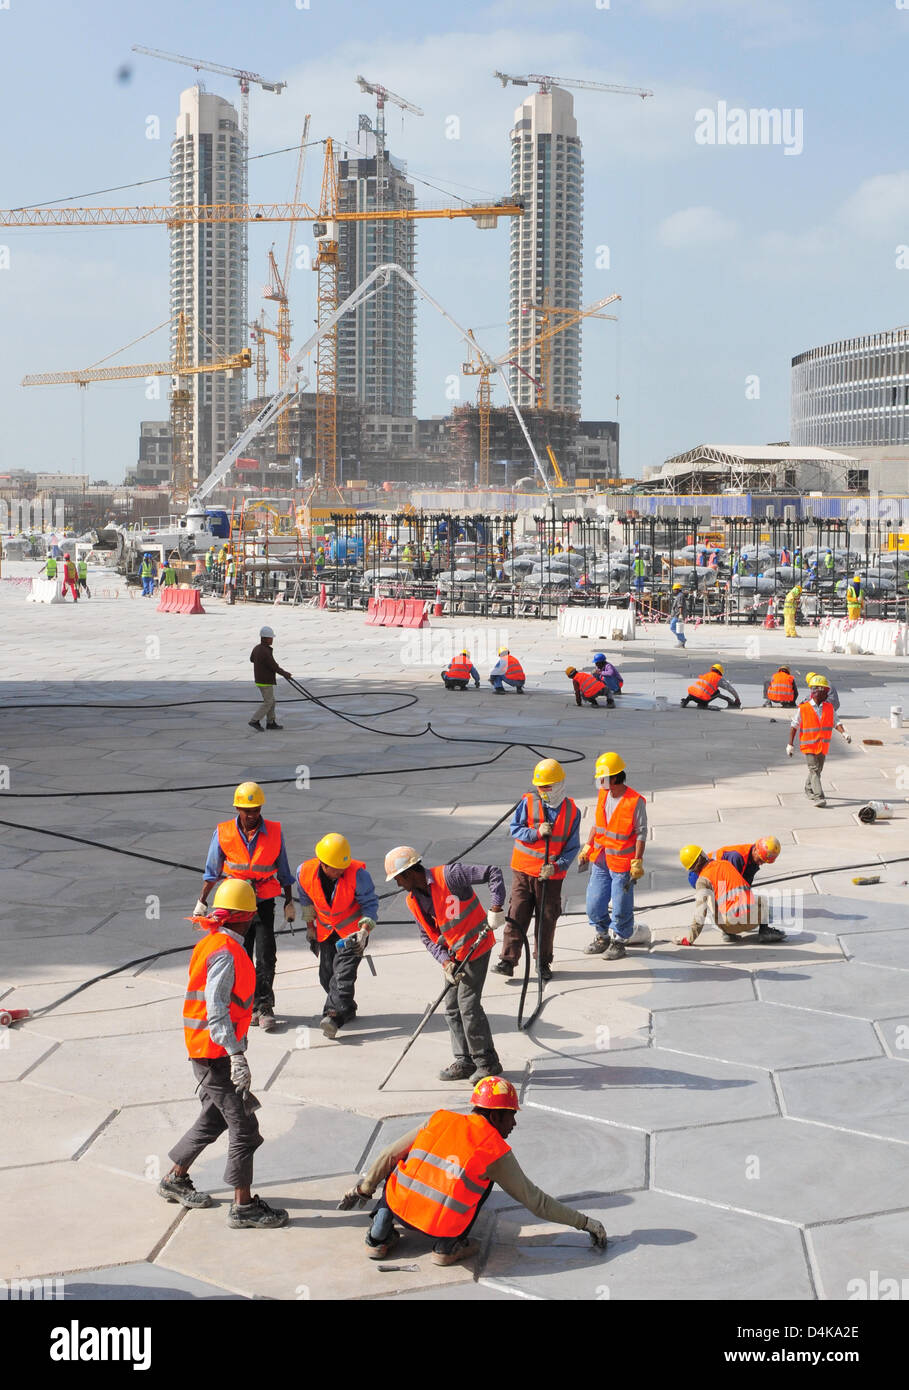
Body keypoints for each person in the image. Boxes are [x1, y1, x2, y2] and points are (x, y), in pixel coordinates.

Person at [339, 1075, 607, 1263]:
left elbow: (389, 1153)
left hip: (401, 1206)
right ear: (495, 1116)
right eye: (511, 1115)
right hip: (441, 1225)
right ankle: (446, 1248)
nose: (514, 1123)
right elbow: (536, 1202)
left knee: (400, 1162)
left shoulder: (440, 1118)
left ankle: (379, 1234)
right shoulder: (494, 1150)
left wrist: (363, 1189)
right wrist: (585, 1223)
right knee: (484, 1180)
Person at [158, 878, 288, 1228]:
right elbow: (216, 1010)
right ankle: (244, 1207)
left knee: (214, 1118)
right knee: (244, 1126)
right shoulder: (227, 954)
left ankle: (175, 1178)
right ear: (245, 917)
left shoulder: (214, 942)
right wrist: (236, 1055)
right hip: (213, 1054)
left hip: (207, 1050)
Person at [385, 846, 505, 1081]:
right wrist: (445, 962)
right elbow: (427, 938)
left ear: (409, 873)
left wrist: (496, 908)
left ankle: (487, 1062)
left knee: (468, 1005)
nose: (398, 884)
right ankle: (465, 1061)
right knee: (451, 1006)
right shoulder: (413, 901)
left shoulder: (451, 875)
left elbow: (493, 872)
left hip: (477, 946)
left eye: (398, 879)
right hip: (455, 955)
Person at [194, 781, 295, 1032]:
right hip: (234, 905)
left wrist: (289, 901)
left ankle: (263, 1006)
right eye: (246, 810)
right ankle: (245, 1005)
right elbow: (212, 871)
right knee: (239, 955)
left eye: (256, 810)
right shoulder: (224, 832)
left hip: (262, 902)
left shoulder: (273, 831)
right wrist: (202, 901)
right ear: (237, 808)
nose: (252, 815)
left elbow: (283, 869)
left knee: (265, 954)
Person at [493, 759, 581, 983]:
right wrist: (536, 832)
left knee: (547, 919)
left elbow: (572, 847)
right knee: (517, 914)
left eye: (547, 786)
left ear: (559, 784)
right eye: (540, 786)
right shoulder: (528, 802)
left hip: (550, 877)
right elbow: (515, 829)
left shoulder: (572, 812)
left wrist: (557, 866)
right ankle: (507, 960)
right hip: (523, 872)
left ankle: (543, 963)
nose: (542, 791)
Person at [297, 834, 379, 1040]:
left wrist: (364, 930)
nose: (341, 871)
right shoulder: (304, 872)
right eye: (336, 868)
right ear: (323, 865)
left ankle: (333, 1016)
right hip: (325, 931)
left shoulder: (358, 875)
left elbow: (370, 904)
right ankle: (347, 1007)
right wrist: (310, 927)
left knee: (343, 974)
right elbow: (306, 900)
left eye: (343, 866)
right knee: (327, 977)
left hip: (353, 932)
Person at [580, 751, 646, 961]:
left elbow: (641, 833)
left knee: (621, 904)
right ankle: (602, 936)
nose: (600, 781)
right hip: (600, 859)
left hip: (621, 863)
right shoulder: (603, 795)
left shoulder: (634, 801)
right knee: (594, 902)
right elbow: (597, 825)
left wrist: (637, 861)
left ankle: (619, 940)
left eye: (603, 777)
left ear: (615, 777)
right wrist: (588, 846)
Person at [676, 846, 786, 946]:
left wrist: (689, 939)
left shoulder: (702, 880)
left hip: (729, 924)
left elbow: (700, 913)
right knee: (762, 899)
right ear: (703, 855)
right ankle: (764, 932)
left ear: (692, 869)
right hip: (753, 920)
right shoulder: (725, 864)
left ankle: (728, 934)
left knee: (709, 899)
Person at [786, 675, 850, 808]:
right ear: (816, 691)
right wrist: (790, 744)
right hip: (809, 746)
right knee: (814, 770)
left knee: (817, 770)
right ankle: (818, 797)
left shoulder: (829, 707)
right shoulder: (803, 708)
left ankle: (808, 788)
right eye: (825, 691)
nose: (828, 693)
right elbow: (794, 725)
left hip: (822, 746)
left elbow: (835, 722)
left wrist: (844, 732)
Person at [684, 837, 780, 888]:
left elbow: (745, 885)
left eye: (764, 862)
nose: (761, 863)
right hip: (697, 875)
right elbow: (727, 884)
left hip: (712, 873)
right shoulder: (737, 858)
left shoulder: (752, 859)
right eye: (760, 860)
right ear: (755, 850)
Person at [248, 625, 292, 731]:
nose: (272, 640)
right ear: (266, 638)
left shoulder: (257, 648)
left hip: (260, 680)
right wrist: (285, 674)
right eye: (271, 638)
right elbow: (274, 667)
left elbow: (252, 659)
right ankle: (254, 720)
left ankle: (271, 722)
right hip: (265, 681)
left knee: (272, 701)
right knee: (268, 702)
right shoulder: (265, 651)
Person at [668, 582, 687, 647]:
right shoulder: (679, 595)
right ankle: (681, 642)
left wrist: (680, 615)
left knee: (672, 627)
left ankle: (682, 640)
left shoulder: (680, 596)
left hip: (678, 615)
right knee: (679, 628)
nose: (673, 591)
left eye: (674, 589)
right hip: (677, 615)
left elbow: (680, 606)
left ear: (677, 589)